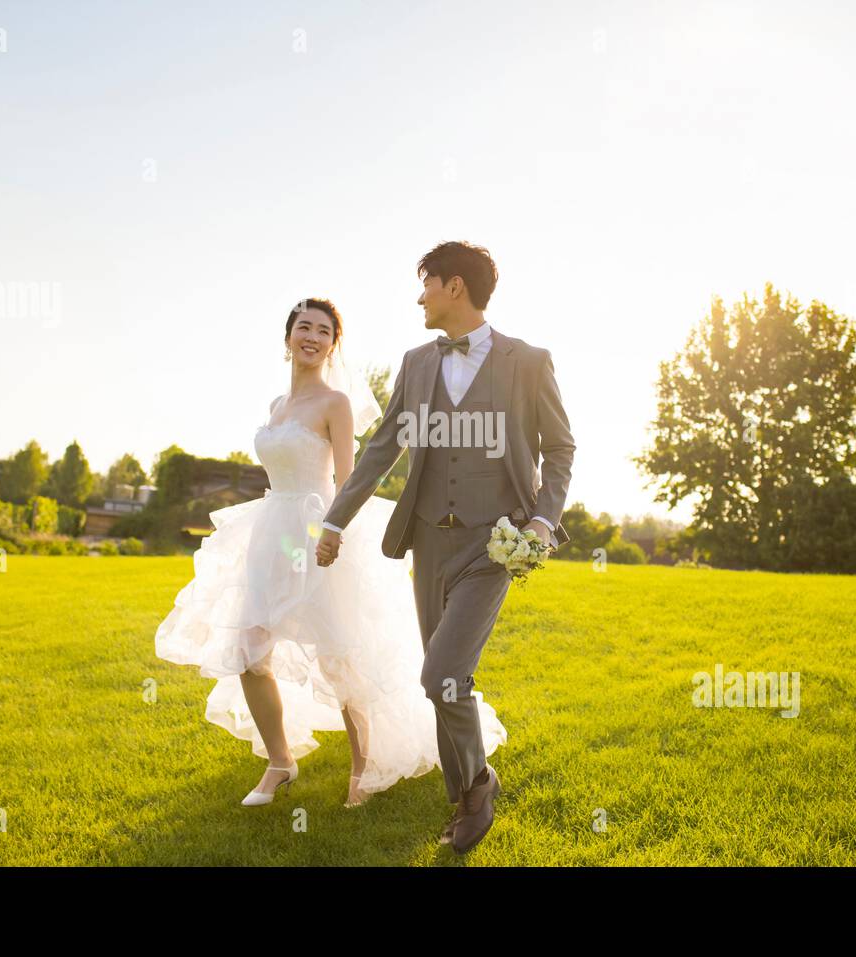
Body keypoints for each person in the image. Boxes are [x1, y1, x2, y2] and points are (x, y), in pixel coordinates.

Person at [154, 297, 506, 808]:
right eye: (304, 326)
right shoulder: (277, 405)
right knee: (250, 650)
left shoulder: (335, 404)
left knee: (342, 657)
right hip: (272, 532)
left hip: (320, 533)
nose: (312, 336)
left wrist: (336, 533)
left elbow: (350, 478)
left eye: (323, 329)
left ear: (333, 343)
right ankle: (280, 761)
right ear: (289, 336)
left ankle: (363, 766)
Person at [316, 241, 575, 853]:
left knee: (441, 675)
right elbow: (382, 449)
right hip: (429, 542)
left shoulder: (529, 362)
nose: (420, 296)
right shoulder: (415, 363)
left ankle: (474, 788)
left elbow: (560, 449)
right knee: (446, 680)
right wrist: (334, 521)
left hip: (496, 543)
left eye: (427, 283)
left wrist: (542, 523)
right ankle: (469, 788)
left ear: (454, 287)